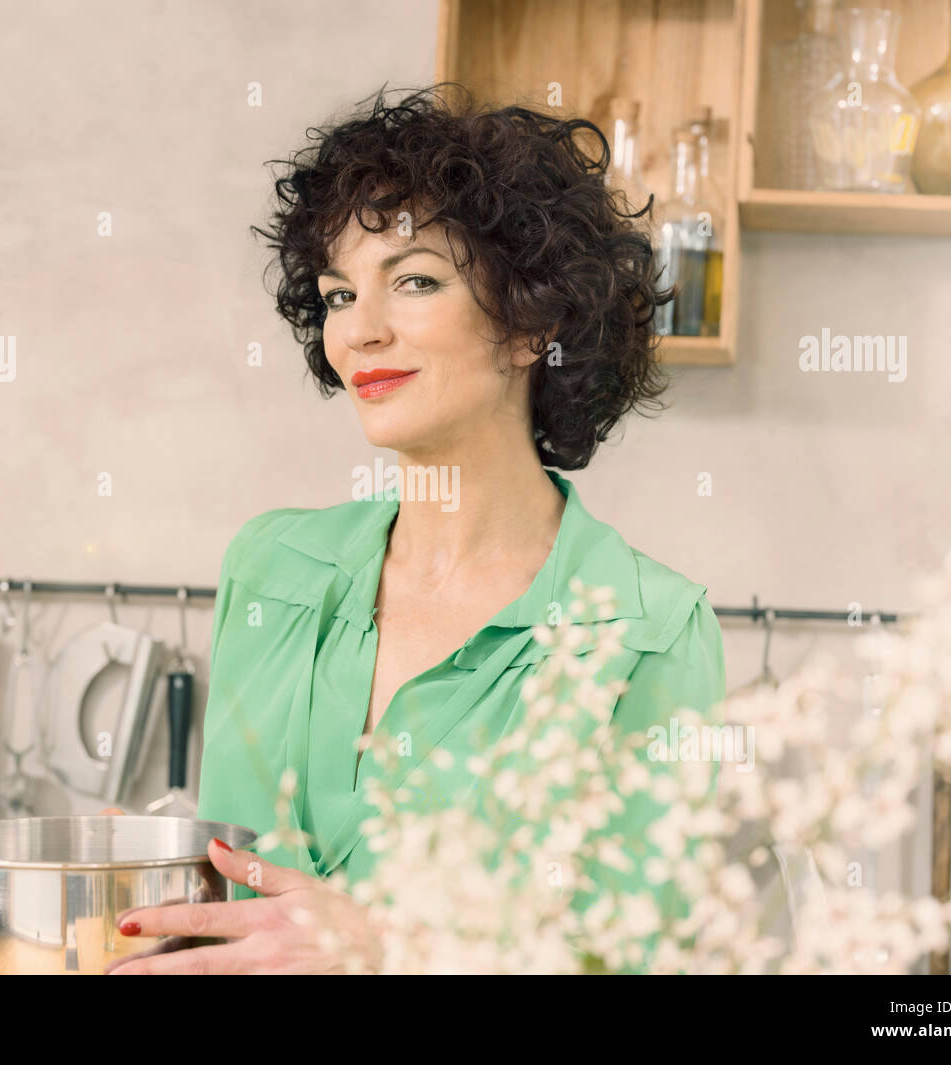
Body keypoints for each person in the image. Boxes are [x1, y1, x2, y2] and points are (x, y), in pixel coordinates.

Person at [108, 84, 725, 974]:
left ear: (530, 324)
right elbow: (234, 905)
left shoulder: (647, 636)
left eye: (416, 281)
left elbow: (642, 963)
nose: (360, 330)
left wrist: (389, 950)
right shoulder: (270, 571)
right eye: (337, 294)